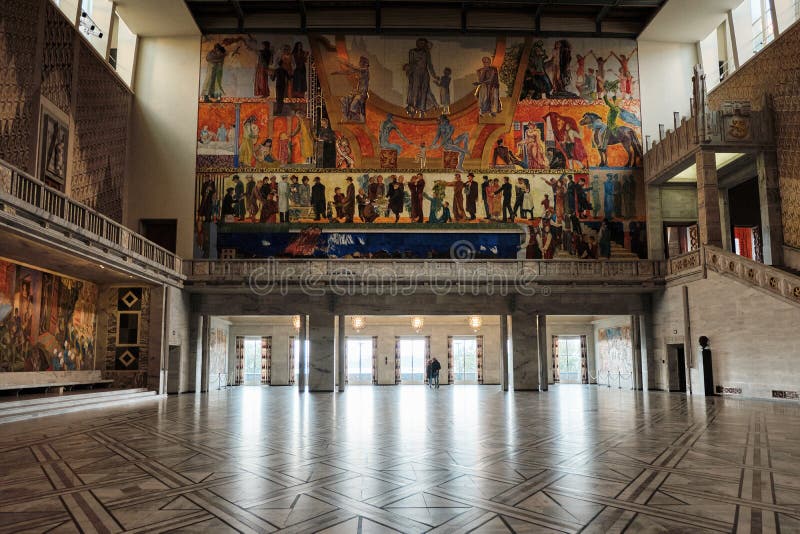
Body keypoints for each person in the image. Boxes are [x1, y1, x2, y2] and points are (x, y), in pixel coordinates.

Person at [406, 38, 438, 117]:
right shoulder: (412, 52)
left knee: (424, 92)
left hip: (424, 74)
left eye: (424, 44)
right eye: (421, 43)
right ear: (417, 44)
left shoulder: (426, 53)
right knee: (415, 91)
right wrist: (410, 73)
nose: (422, 45)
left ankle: (422, 110)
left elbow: (429, 65)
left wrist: (434, 76)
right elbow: (410, 63)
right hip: (416, 73)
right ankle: (413, 110)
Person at [273, 44, 293, 115]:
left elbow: (272, 79)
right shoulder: (284, 71)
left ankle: (279, 111)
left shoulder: (277, 70)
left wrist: (271, 76)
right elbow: (289, 77)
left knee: (279, 98)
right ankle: (279, 111)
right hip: (283, 85)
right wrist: (291, 76)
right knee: (281, 98)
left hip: (278, 85)